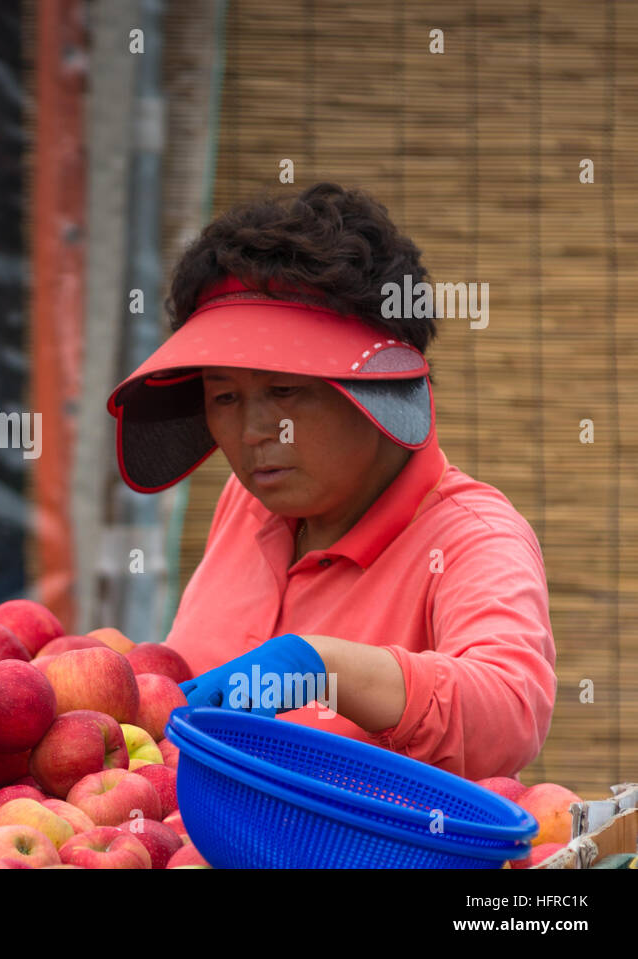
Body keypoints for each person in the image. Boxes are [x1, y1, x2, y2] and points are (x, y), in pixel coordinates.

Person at [106, 182, 555, 781]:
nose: (253, 432)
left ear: (376, 392)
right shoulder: (249, 501)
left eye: (285, 391)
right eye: (224, 396)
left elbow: (511, 713)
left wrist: (325, 666)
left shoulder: (474, 538)